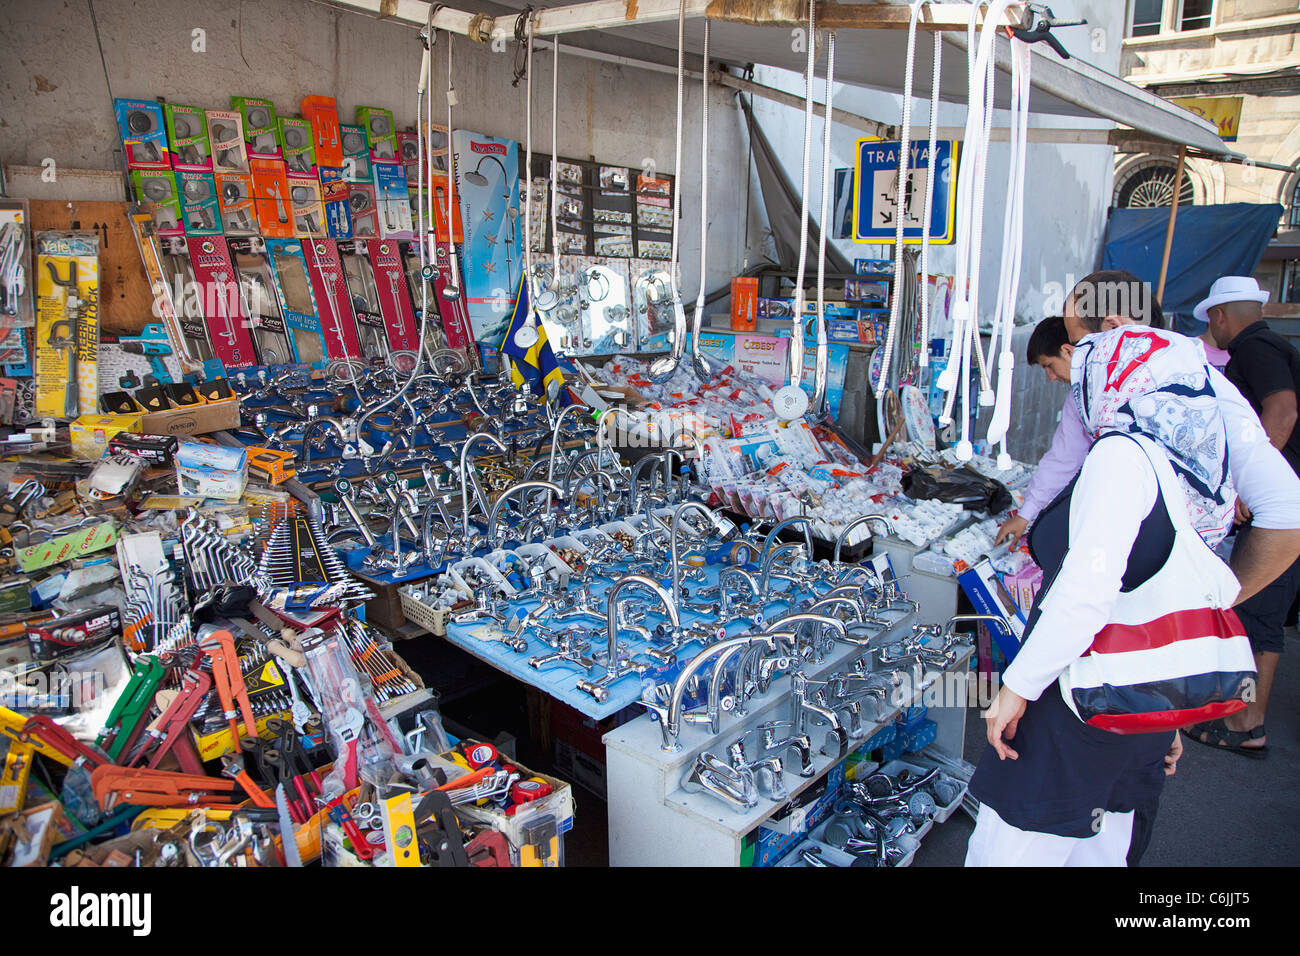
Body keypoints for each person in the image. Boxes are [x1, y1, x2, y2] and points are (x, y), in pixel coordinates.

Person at [988, 269, 1300, 862]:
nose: (1073, 366)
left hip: (1084, 681)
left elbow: (1086, 588)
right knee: (1111, 839)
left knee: (1021, 839)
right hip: (1152, 684)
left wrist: (1016, 687)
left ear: (1112, 335)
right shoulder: (1211, 392)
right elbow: (1288, 513)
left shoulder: (1123, 448)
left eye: (1077, 346)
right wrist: (1200, 610)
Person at [1191, 276, 1300, 757]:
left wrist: (1248, 488)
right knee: (1259, 612)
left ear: (1218, 315)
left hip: (1280, 511)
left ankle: (1248, 720)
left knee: (1259, 614)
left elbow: (1283, 410)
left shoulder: (1255, 347)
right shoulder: (1272, 344)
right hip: (1284, 505)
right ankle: (1241, 710)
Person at [996, 317, 1076, 548]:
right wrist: (1025, 514)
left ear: (1067, 351)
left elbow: (1065, 458)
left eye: (1048, 366)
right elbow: (1064, 457)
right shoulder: (1078, 399)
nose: (1050, 378)